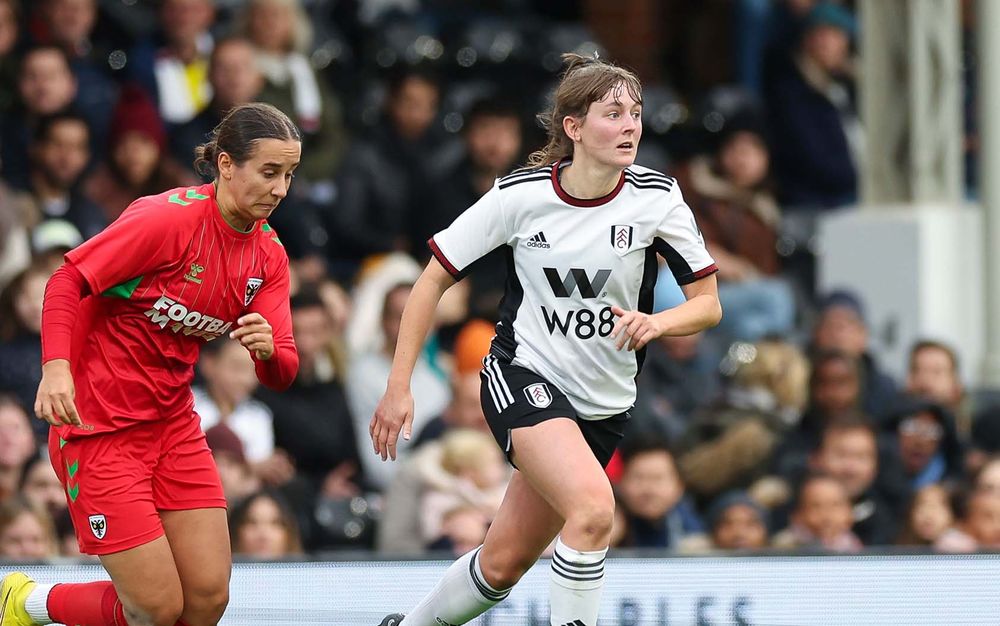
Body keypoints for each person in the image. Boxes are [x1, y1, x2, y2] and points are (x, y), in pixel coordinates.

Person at [371, 53, 721, 626]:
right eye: (613, 113)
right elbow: (431, 280)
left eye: (635, 113)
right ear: (574, 128)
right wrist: (399, 385)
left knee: (503, 565)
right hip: (522, 374)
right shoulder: (520, 195)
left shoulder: (658, 199)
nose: (630, 125)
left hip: (604, 404)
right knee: (593, 506)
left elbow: (708, 305)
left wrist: (658, 323)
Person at [1, 102, 300, 626]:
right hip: (97, 429)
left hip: (173, 428)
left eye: (289, 175)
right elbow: (66, 281)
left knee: (207, 601)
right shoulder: (166, 219)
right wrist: (55, 368)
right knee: (157, 608)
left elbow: (283, 371)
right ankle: (23, 602)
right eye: (269, 172)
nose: (280, 189)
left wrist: (270, 349)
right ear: (226, 165)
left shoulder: (268, 256)